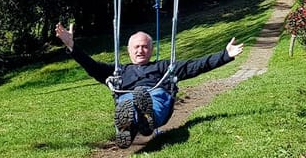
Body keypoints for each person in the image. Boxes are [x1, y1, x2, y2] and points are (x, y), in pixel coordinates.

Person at [55, 22, 244, 147]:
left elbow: (195, 66)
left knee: (151, 99)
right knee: (128, 103)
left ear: (151, 50)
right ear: (129, 51)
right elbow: (92, 66)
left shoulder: (163, 67)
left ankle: (146, 119)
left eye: (145, 47)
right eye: (136, 47)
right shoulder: (120, 71)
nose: (140, 50)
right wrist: (72, 47)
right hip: (128, 96)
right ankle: (129, 128)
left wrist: (225, 55)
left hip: (156, 94)